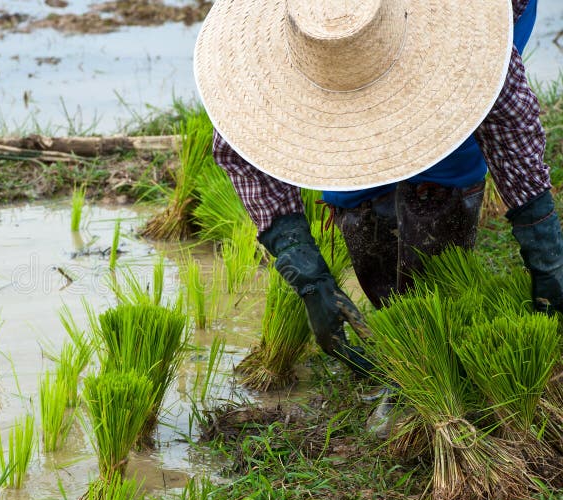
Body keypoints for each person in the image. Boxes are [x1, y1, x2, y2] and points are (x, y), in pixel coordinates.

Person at [194, 0, 561, 431]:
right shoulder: (261, 57)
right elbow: (239, 146)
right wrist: (307, 274)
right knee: (352, 181)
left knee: (447, 154)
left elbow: (508, 123)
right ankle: (403, 339)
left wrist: (546, 252)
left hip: (451, 22)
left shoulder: (468, 40)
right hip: (328, 54)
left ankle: (436, 334)